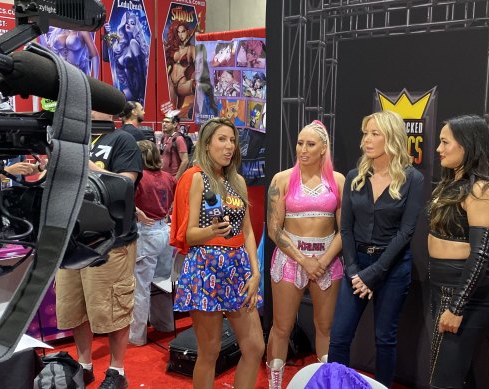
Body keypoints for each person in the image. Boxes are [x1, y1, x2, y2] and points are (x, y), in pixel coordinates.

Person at [328, 110, 424, 388]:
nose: (365, 140)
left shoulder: (412, 178)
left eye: (374, 134)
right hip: (356, 265)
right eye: (364, 134)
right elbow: (345, 228)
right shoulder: (355, 176)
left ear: (391, 138)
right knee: (340, 337)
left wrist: (374, 273)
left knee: (385, 339)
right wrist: (355, 270)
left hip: (392, 268)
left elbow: (407, 232)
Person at [171, 117, 264, 389]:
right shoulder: (196, 177)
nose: (229, 146)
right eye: (222, 139)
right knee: (209, 352)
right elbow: (188, 235)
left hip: (238, 268)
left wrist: (255, 271)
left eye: (233, 140)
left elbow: (246, 230)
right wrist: (212, 230)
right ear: (207, 143)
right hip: (204, 267)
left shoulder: (238, 181)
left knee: (255, 347)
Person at [56, 111, 142, 389]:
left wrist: (90, 166)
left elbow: (126, 183)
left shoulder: (123, 139)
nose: (89, 108)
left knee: (113, 309)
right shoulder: (74, 139)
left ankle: (117, 370)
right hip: (71, 238)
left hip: (110, 241)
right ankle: (85, 365)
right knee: (75, 308)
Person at [265, 120, 345, 388]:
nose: (303, 149)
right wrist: (304, 261)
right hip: (290, 260)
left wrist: (321, 261)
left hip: (328, 261)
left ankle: (327, 382)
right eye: (300, 143)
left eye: (310, 144)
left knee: (325, 328)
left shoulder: (338, 181)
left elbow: (345, 230)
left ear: (324, 148)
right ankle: (275, 384)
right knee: (281, 327)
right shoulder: (282, 179)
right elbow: (274, 229)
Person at [428, 115, 489, 388]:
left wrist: (457, 305)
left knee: (443, 382)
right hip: (441, 290)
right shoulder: (450, 184)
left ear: (467, 146)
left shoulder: (483, 190)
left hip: (462, 295)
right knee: (454, 377)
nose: (438, 149)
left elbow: (481, 253)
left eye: (445, 142)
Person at [129, 140, 176, 346]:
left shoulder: (137, 179)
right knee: (163, 283)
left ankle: (137, 337)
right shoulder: (168, 177)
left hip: (147, 234)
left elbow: (126, 204)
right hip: (165, 232)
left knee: (140, 288)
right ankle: (165, 324)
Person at [104, 11, 149, 105]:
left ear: (136, 27)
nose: (128, 24)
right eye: (127, 22)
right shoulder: (121, 46)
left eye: (132, 23)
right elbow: (106, 58)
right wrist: (106, 34)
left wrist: (142, 95)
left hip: (137, 91)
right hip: (125, 89)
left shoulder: (134, 43)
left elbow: (141, 71)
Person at [164, 20, 195, 116]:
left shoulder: (191, 48)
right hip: (171, 82)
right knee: (171, 113)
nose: (181, 34)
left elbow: (199, 66)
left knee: (196, 86)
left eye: (183, 31)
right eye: (178, 32)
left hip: (182, 82)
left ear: (187, 31)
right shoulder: (174, 48)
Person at [193, 43, 219, 121]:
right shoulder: (192, 89)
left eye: (200, 62)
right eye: (195, 62)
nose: (197, 67)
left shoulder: (210, 90)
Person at [160, 114, 189, 179]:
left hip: (173, 178)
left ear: (175, 124)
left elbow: (185, 160)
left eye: (167, 122)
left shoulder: (179, 139)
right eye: (163, 122)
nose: (164, 124)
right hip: (164, 177)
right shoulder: (164, 138)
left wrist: (176, 178)